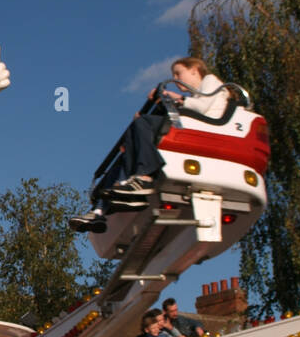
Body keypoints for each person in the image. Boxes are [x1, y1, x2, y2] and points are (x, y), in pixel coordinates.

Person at [71, 57, 230, 233]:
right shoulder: (194, 96)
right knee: (128, 148)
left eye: (179, 73)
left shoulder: (210, 81)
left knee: (142, 124)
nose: (176, 79)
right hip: (193, 127)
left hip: (203, 131)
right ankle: (99, 209)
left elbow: (202, 107)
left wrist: (172, 97)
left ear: (194, 70)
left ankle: (144, 177)